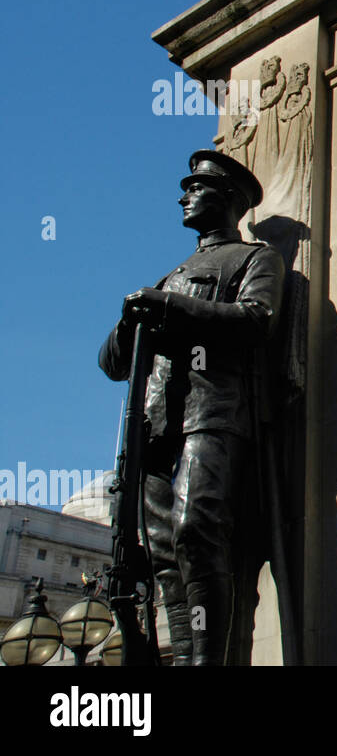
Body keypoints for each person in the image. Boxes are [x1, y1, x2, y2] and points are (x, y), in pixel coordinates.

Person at [99, 151, 285, 666]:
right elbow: (112, 364)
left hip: (215, 412)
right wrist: (126, 321)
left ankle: (207, 659)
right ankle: (183, 656)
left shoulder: (254, 258)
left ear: (226, 198)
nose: (184, 196)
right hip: (157, 429)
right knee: (162, 555)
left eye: (194, 188)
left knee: (195, 529)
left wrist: (173, 308)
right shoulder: (166, 277)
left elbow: (257, 319)